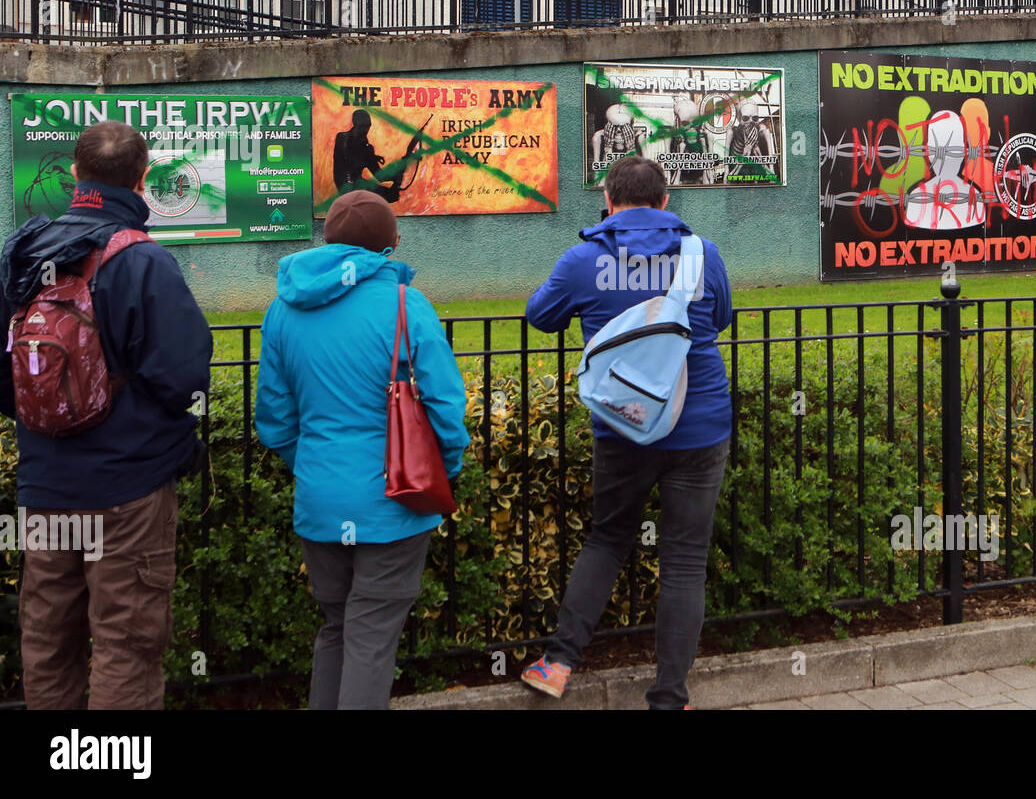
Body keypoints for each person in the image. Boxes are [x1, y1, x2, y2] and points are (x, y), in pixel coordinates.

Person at [0, 120, 212, 710]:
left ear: (74, 175)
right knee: (125, 641)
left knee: (47, 638)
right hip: (128, 489)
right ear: (143, 181)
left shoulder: (23, 255)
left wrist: (49, 421)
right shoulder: (144, 262)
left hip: (45, 487)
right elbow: (185, 374)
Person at [521, 156, 732, 710]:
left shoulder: (585, 257)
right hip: (700, 422)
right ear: (666, 202)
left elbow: (538, 315)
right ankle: (669, 697)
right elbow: (723, 316)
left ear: (608, 201)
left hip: (623, 426)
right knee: (685, 560)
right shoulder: (700, 253)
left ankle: (559, 663)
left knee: (608, 539)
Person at [255, 190, 469, 710]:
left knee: (337, 628)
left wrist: (313, 466)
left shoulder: (282, 309)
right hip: (393, 501)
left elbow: (275, 421)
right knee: (372, 638)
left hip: (320, 499)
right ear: (389, 244)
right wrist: (446, 466)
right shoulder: (405, 304)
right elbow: (445, 404)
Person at [333, 109, 402, 203]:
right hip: (347, 186)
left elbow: (379, 176)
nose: (365, 130)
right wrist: (370, 156)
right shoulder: (342, 138)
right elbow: (349, 159)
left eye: (367, 126)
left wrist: (396, 176)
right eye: (362, 126)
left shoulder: (366, 148)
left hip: (358, 184)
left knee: (392, 195)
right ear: (355, 124)